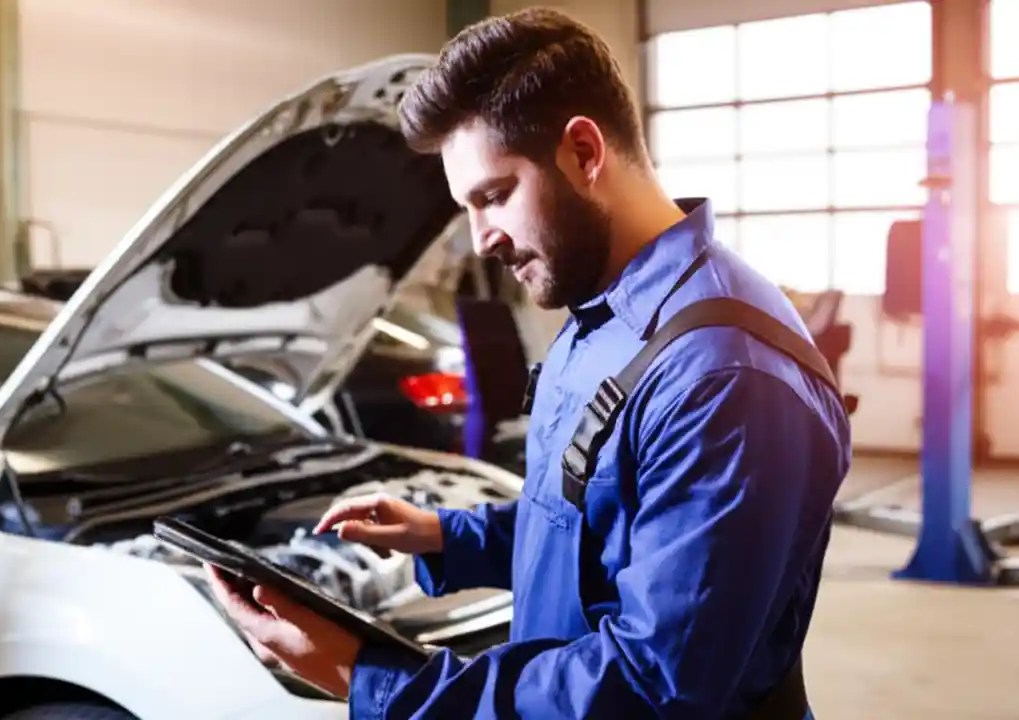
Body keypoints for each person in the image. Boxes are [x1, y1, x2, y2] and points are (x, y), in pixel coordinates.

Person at [204, 7, 852, 718]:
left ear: (583, 152)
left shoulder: (726, 379)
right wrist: (442, 536)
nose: (481, 240)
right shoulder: (603, 312)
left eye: (494, 196)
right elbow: (594, 526)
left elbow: (651, 687)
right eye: (467, 207)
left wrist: (367, 677)